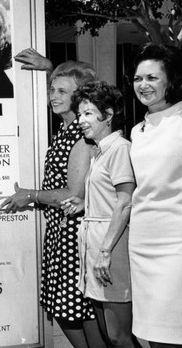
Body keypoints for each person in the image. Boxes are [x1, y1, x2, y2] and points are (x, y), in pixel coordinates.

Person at [0, 61, 107, 347]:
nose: (53, 96)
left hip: (74, 236)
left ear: (79, 96)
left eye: (62, 91)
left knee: (75, 311)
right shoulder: (67, 129)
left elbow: (74, 192)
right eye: (51, 89)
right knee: (69, 311)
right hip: (61, 234)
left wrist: (31, 195)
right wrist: (50, 68)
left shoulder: (81, 135)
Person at [129, 43, 182, 347]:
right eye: (137, 79)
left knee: (174, 334)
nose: (143, 85)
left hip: (180, 246)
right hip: (143, 244)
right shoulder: (137, 131)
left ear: (170, 81)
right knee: (153, 338)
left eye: (152, 78)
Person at [61, 81, 140, 347]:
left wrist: (105, 251)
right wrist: (86, 204)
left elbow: (126, 201)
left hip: (110, 247)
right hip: (95, 245)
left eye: (87, 114)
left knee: (120, 336)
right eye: (80, 113)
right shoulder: (99, 151)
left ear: (107, 115)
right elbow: (110, 195)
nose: (80, 120)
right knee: (108, 334)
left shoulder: (119, 148)